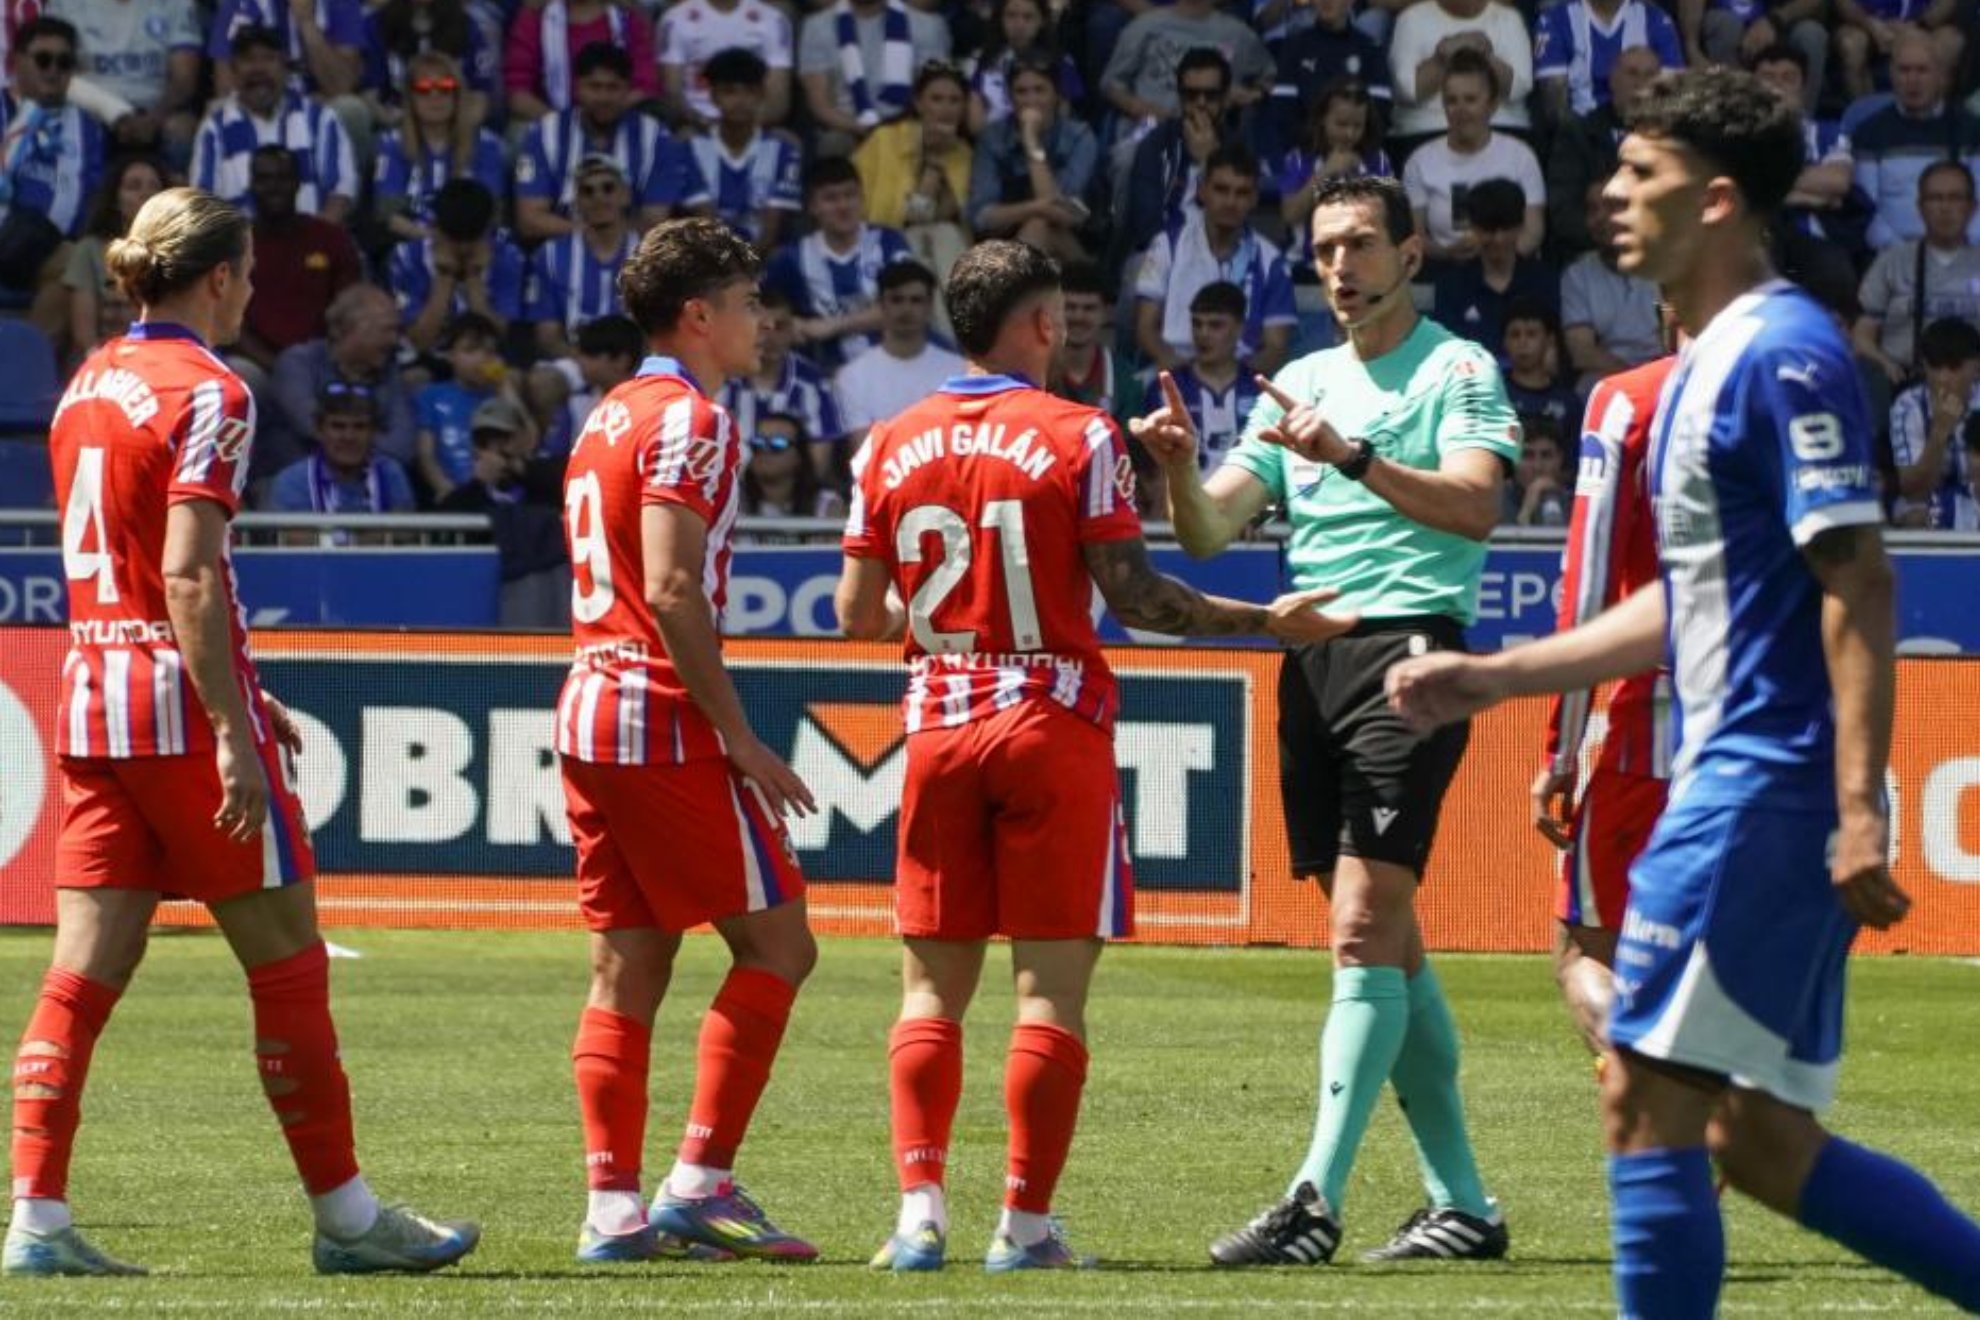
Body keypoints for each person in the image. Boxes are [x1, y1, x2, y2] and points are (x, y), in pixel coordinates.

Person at [1385, 66, 1980, 1318]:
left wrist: (1856, 804)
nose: (1610, 194)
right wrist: (1496, 677)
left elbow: (1860, 580)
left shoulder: (1784, 354)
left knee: (1644, 1101)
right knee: (1759, 1146)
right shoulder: (1706, 366)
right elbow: (1689, 599)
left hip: (1758, 789)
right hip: (1743, 784)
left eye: (1640, 173)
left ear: (1714, 201)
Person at [834, 237, 1354, 1274]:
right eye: (1061, 318)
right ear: (1040, 324)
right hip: (1048, 723)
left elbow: (857, 615)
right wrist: (1266, 619)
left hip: (936, 728)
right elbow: (1140, 598)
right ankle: (1024, 1228)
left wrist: (953, 618)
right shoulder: (1079, 435)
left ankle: (918, 1217)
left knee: (929, 993)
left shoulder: (888, 441)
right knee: (1047, 995)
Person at [4, 184, 477, 1279]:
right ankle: (348, 1219)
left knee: (79, 975)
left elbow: (130, 569)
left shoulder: (87, 381)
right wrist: (229, 725)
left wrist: (244, 699)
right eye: (252, 273)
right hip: (175, 706)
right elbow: (185, 575)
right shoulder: (214, 390)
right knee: (288, 963)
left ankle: (36, 1217)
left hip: (94, 696)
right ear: (219, 278)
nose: (255, 289)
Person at [1138, 172, 1516, 1266]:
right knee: (1383, 942)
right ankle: (1465, 1205)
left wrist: (1350, 455)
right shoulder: (1298, 380)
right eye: (1324, 250)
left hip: (1412, 655)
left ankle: (1314, 1199)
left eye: (1360, 243)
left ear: (1410, 253)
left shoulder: (1456, 367)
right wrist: (1177, 473)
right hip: (1309, 664)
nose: (1340, 266)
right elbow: (1209, 534)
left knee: (1359, 928)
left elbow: (1477, 504)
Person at [556, 217, 819, 1265]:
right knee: (781, 946)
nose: (764, 322)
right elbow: (670, 586)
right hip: (657, 715)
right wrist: (739, 737)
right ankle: (700, 1183)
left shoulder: (608, 415)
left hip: (589, 700)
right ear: (699, 315)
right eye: (749, 304)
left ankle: (611, 1209)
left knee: (628, 962)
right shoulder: (693, 421)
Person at [1533, 348, 1673, 1055]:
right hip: (1780, 726)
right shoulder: (1801, 386)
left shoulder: (1628, 402)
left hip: (1660, 728)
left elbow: (1586, 590)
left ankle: (1658, 1095)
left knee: (1585, 950)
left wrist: (1561, 751)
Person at [515, 42, 709, 245]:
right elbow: (529, 221)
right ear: (577, 87)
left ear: (628, 89)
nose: (603, 98)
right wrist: (597, 236)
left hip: (636, 251)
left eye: (613, 88)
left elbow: (653, 221)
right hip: (563, 249)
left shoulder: (656, 138)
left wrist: (604, 240)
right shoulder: (543, 134)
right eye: (594, 87)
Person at [1133, 145, 1298, 373]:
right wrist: (1187, 376)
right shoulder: (1167, 245)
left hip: (1242, 376)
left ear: (1254, 199)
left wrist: (1231, 382)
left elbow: (1276, 347)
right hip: (1175, 369)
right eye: (1221, 190)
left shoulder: (1272, 262)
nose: (1230, 202)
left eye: (1241, 193)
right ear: (1202, 191)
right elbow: (1145, 328)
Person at [0, 16, 105, 338]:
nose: (53, 70)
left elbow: (92, 199)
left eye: (64, 62)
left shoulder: (88, 129)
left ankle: (25, 361)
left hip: (49, 249)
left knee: (77, 262)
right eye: (43, 59)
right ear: (17, 61)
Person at [190, 25, 357, 226]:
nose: (259, 68)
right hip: (242, 243)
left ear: (285, 68)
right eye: (249, 59)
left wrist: (313, 239)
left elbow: (340, 193)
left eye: (269, 58)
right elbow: (203, 204)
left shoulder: (321, 119)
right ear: (233, 70)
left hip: (312, 240)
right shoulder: (214, 130)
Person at [762, 156, 913, 371]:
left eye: (850, 195)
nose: (843, 206)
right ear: (812, 207)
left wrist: (831, 326)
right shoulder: (792, 258)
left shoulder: (888, 242)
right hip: (828, 371)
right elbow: (763, 309)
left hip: (898, 363)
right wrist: (790, 325)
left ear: (862, 198)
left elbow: (905, 308)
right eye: (830, 199)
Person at [1401, 49, 1544, 261]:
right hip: (1444, 268)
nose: (1460, 109)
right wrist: (1448, 254)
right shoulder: (1419, 161)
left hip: (1511, 266)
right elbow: (1415, 237)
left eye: (1470, 100)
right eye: (1452, 101)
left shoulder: (1521, 156)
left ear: (1492, 105)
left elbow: (1533, 231)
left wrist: (1495, 257)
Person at [1853, 161, 1980, 391]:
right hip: (1904, 382)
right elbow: (1862, 335)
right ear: (1920, 207)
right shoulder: (1891, 261)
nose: (1945, 208)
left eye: (1955, 198)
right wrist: (1884, 364)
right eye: (1935, 198)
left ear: (1972, 207)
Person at [236, 146, 363, 377]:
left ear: (298, 184)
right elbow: (229, 324)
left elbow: (350, 308)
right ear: (251, 185)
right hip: (257, 364)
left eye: (283, 178)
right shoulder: (233, 245)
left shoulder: (330, 238)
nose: (274, 187)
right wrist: (280, 367)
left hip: (323, 358)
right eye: (264, 179)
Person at [268, 283, 417, 479]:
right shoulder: (299, 363)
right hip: (294, 480)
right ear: (350, 329)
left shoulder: (390, 373)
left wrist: (353, 444)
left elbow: (403, 448)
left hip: (366, 481)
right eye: (387, 330)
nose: (395, 340)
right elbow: (310, 426)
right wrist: (368, 437)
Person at [1848, 32, 1980, 251]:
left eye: (1922, 70)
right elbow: (1867, 212)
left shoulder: (1971, 130)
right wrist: (1907, 255)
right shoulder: (1868, 133)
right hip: (1892, 254)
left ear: (1940, 75)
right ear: (1892, 75)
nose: (1913, 80)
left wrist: (1963, 248)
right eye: (1904, 70)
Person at [968, 50, 1098, 264]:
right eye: (1021, 92)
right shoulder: (993, 137)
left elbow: (1061, 210)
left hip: (1069, 246)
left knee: (1040, 226)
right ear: (1010, 97)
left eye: (1040, 90)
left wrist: (1031, 140)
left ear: (1056, 94)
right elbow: (981, 216)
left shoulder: (1079, 137)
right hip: (1004, 244)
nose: (1031, 100)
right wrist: (1036, 208)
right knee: (1037, 223)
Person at [719, 285, 846, 501]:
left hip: (797, 500)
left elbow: (818, 465)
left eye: (780, 326)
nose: (771, 338)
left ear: (793, 329)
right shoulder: (723, 379)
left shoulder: (814, 383)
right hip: (732, 498)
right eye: (762, 328)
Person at [852, 60, 972, 284]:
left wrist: (936, 161)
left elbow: (934, 218)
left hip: (936, 246)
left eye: (954, 100)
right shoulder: (884, 139)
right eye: (936, 99)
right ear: (918, 103)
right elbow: (888, 218)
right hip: (878, 244)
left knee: (944, 234)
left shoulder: (964, 154)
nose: (946, 109)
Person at [1117, 48, 1243, 258]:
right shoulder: (1156, 145)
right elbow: (1147, 226)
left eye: (1211, 95)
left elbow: (1235, 222)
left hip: (1220, 256)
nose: (1201, 103)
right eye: (1191, 95)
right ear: (1180, 96)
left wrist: (1207, 162)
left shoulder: (1238, 148)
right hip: (1160, 256)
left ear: (1225, 97)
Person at [371, 50, 506, 243]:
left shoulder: (487, 144)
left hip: (472, 242)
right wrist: (429, 239)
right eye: (423, 88)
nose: (435, 96)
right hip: (411, 240)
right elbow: (387, 213)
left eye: (445, 87)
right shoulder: (392, 144)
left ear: (457, 95)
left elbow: (492, 212)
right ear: (410, 98)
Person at [43, 0, 200, 161]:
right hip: (90, 109)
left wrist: (154, 119)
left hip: (155, 109)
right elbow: (54, 74)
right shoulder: (63, 5)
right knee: (62, 125)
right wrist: (114, 112)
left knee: (181, 128)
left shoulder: (176, 4)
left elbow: (184, 80)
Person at [388, 176, 527, 354]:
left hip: (483, 359)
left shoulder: (508, 258)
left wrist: (474, 277)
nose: (463, 248)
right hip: (425, 359)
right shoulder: (406, 257)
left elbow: (497, 338)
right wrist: (445, 276)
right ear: (435, 228)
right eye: (455, 239)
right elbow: (420, 341)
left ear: (487, 229)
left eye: (471, 239)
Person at [1544, 42, 1660, 257]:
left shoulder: (1672, 138)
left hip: (1655, 252)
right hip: (1592, 253)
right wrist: (1612, 241)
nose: (1641, 83)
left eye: (1650, 75)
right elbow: (1564, 210)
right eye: (1632, 73)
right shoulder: (1578, 133)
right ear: (1613, 79)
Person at [834, 260, 964, 448]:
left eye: (916, 300)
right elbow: (865, 453)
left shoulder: (959, 371)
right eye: (897, 300)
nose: (906, 310)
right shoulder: (853, 376)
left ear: (929, 307)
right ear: (881, 305)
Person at [689, 47, 803, 254]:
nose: (740, 101)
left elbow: (771, 231)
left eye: (749, 91)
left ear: (761, 95)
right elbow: (706, 224)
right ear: (713, 96)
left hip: (762, 257)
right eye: (729, 92)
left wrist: (745, 263)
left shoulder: (784, 151)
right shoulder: (691, 150)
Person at [528, 152, 641, 360]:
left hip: (638, 364)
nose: (599, 198)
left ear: (625, 195)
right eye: (587, 191)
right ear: (576, 201)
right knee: (544, 379)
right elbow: (548, 337)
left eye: (608, 188)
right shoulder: (550, 256)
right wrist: (590, 366)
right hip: (575, 362)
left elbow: (663, 331)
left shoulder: (651, 254)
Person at [796, 0, 951, 148]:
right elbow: (821, 105)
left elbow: (933, 93)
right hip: (847, 128)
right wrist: (868, 130)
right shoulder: (817, 27)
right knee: (834, 142)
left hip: (908, 125)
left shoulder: (927, 26)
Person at [1277, 77, 1394, 274]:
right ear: (1322, 119)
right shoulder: (1298, 159)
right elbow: (1290, 215)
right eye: (1341, 124)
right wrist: (1325, 173)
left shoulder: (1379, 160)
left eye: (1357, 126)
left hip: (1362, 269)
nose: (1349, 134)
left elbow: (1388, 219)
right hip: (1304, 266)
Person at [414, 310, 534, 500]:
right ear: (450, 355)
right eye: (470, 350)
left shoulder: (499, 395)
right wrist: (443, 488)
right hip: (455, 493)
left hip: (499, 495)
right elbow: (426, 454)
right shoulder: (431, 395)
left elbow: (528, 443)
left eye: (489, 352)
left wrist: (504, 385)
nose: (481, 358)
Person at [1430, 179, 1558, 357]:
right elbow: (1447, 351)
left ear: (1520, 225)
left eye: (1506, 228)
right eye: (1489, 229)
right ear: (1473, 227)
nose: (1498, 238)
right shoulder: (1451, 285)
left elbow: (1553, 348)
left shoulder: (1544, 281)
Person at [1384, 0, 1533, 151]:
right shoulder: (1410, 19)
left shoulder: (1509, 18)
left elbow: (1519, 88)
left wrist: (1484, 54)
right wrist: (1441, 59)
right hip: (1426, 131)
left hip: (1502, 129)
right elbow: (1407, 91)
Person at [1561, 178, 1663, 386]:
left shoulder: (1662, 264)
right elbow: (1583, 353)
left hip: (1661, 372)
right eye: (1592, 210)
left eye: (1610, 207)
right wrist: (1636, 382)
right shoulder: (1578, 276)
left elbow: (1676, 339)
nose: (1600, 218)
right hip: (1610, 377)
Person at [63, 153, 164, 361]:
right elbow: (85, 337)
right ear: (115, 200)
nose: (145, 194)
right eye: (134, 186)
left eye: (154, 187)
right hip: (108, 361)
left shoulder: (179, 253)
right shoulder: (89, 250)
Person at [265, 382, 419, 514]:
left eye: (360, 427)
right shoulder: (293, 480)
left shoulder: (391, 473)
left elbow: (403, 532)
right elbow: (295, 535)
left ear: (374, 433)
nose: (349, 437)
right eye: (338, 426)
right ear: (319, 431)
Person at [1887, 315, 1980, 529]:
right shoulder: (1908, 406)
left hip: (1976, 495)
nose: (1943, 378)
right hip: (1926, 501)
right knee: (1916, 517)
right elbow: (1914, 492)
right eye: (1935, 367)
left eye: (1953, 367)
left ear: (1976, 367)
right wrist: (1940, 430)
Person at [1269, 0, 1390, 161]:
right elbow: (1284, 113)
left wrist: (1352, 153)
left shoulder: (1370, 48)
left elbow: (1379, 112)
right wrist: (1318, 152)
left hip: (1358, 157)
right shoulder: (1294, 46)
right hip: (1306, 156)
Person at [503, 0, 656, 123]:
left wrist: (605, 115)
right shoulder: (535, 19)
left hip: (619, 117)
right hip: (549, 119)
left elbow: (645, 85)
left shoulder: (626, 18)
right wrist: (565, 127)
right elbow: (518, 93)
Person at [1533, 0, 1682, 124]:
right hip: (1582, 135)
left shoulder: (1656, 20)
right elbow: (1555, 108)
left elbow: (1672, 93)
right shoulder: (1556, 20)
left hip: (1643, 132)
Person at [1166, 280, 1262, 474]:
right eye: (1197, 324)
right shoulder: (1168, 388)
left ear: (1240, 328)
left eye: (1215, 325)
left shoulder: (1260, 390)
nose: (1203, 334)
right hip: (1184, 491)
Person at [657, 0, 793, 133]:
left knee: (786, 140)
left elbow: (778, 100)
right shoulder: (675, 19)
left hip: (756, 124)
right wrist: (705, 124)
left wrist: (739, 129)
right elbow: (673, 93)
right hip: (696, 124)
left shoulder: (772, 19)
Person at [964, 0, 1081, 136]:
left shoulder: (1061, 62)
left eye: (1028, 17)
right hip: (993, 141)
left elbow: (1062, 120)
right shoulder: (983, 61)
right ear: (1000, 19)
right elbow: (975, 125)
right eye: (1011, 16)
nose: (1019, 25)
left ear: (1042, 21)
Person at [1048, 260, 1133, 427]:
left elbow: (1129, 440)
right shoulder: (1033, 371)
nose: (1078, 317)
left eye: (1089, 308)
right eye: (1069, 307)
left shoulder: (1125, 379)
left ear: (1106, 313)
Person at [1833, 0, 1963, 106]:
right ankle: (1866, 118)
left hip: (1922, 24)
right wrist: (1872, 26)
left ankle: (1933, 118)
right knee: (1851, 44)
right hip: (1866, 25)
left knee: (1950, 42)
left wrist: (1919, 26)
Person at [1500, 295, 1581, 430]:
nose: (1522, 343)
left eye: (1531, 334)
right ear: (1504, 342)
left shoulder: (1569, 403)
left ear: (1550, 340)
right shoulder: (1491, 394)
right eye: (1515, 335)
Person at [739, 411, 824, 517]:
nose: (765, 450)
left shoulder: (824, 505)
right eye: (758, 442)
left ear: (800, 456)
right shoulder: (729, 500)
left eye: (777, 443)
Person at [1504, 416, 1570, 526]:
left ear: (1560, 459)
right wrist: (1526, 512)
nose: (1537, 467)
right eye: (1527, 456)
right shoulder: (1493, 504)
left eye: (1546, 456)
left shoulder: (1577, 504)